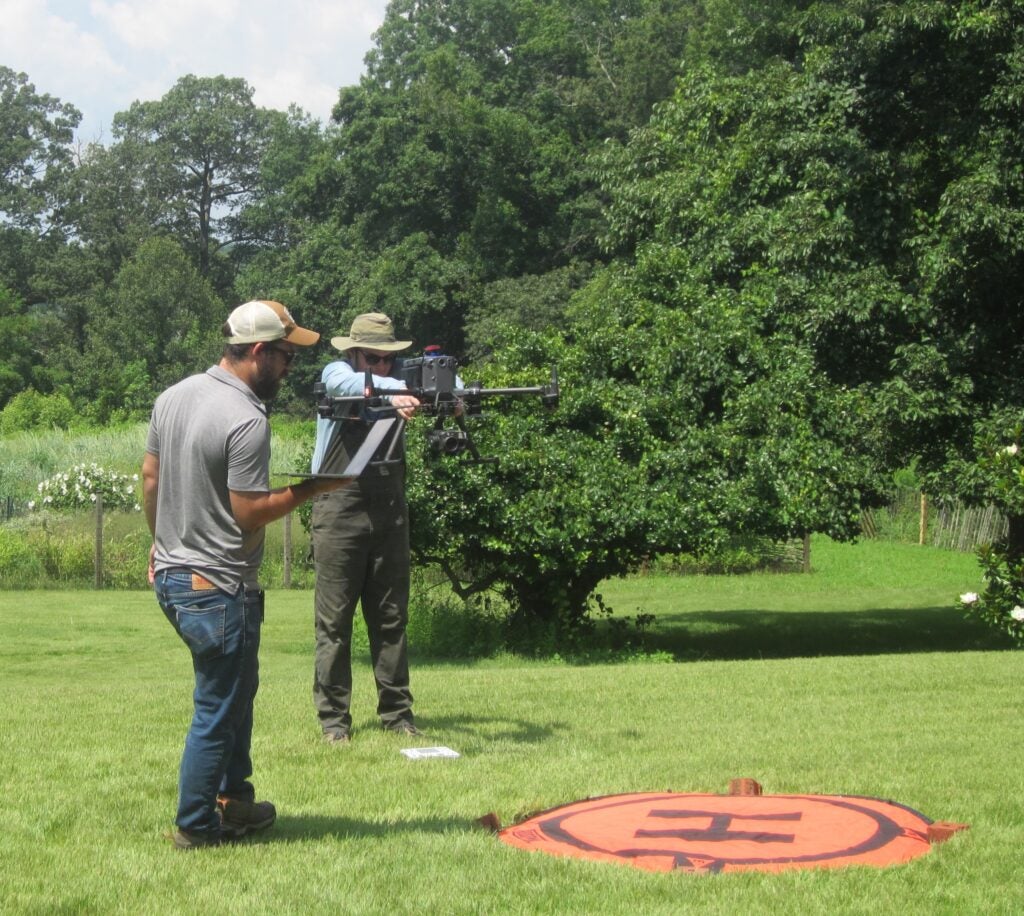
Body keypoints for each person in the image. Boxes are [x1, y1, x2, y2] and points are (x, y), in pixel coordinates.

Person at [142, 299, 345, 850]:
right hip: (219, 587)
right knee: (219, 704)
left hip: (175, 578)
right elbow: (249, 512)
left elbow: (151, 477)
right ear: (258, 351)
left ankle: (237, 802)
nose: (290, 367)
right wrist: (313, 488)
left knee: (235, 692)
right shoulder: (246, 418)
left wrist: (160, 549)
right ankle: (197, 826)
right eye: (285, 355)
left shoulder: (173, 396)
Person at [310, 312, 424, 744]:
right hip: (339, 508)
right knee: (335, 623)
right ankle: (334, 721)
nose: (381, 367)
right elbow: (346, 387)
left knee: (392, 619)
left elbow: (445, 390)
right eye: (372, 359)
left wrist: (451, 397)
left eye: (387, 360)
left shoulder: (401, 382)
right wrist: (400, 391)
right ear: (354, 353)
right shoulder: (337, 372)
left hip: (390, 508)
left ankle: (398, 715)